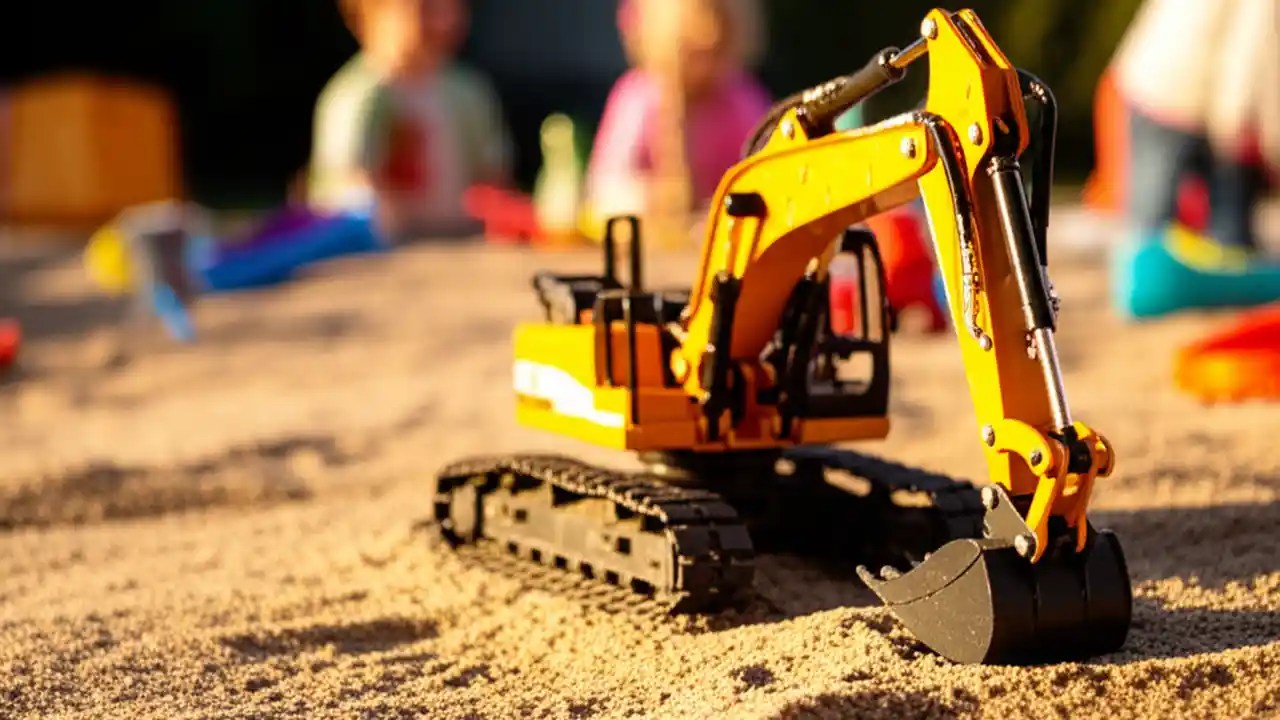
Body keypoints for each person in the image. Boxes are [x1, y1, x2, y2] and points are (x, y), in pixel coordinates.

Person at [1109, 0, 1280, 318]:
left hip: (1146, 80)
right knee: (1199, 222)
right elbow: (1249, 56)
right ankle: (1161, 289)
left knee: (1146, 223)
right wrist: (1243, 132)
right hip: (1180, 92)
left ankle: (1147, 287)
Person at [307, 0, 514, 241]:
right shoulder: (359, 97)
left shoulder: (469, 92)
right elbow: (346, 189)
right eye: (424, 8)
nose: (443, 21)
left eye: (451, 7)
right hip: (385, 251)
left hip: (460, 240)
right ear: (374, 15)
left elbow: (494, 177)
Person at [583, 0, 771, 232]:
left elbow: (770, 178)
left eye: (714, 52)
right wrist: (654, 197)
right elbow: (603, 188)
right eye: (693, 52)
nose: (709, 32)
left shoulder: (741, 99)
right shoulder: (639, 98)